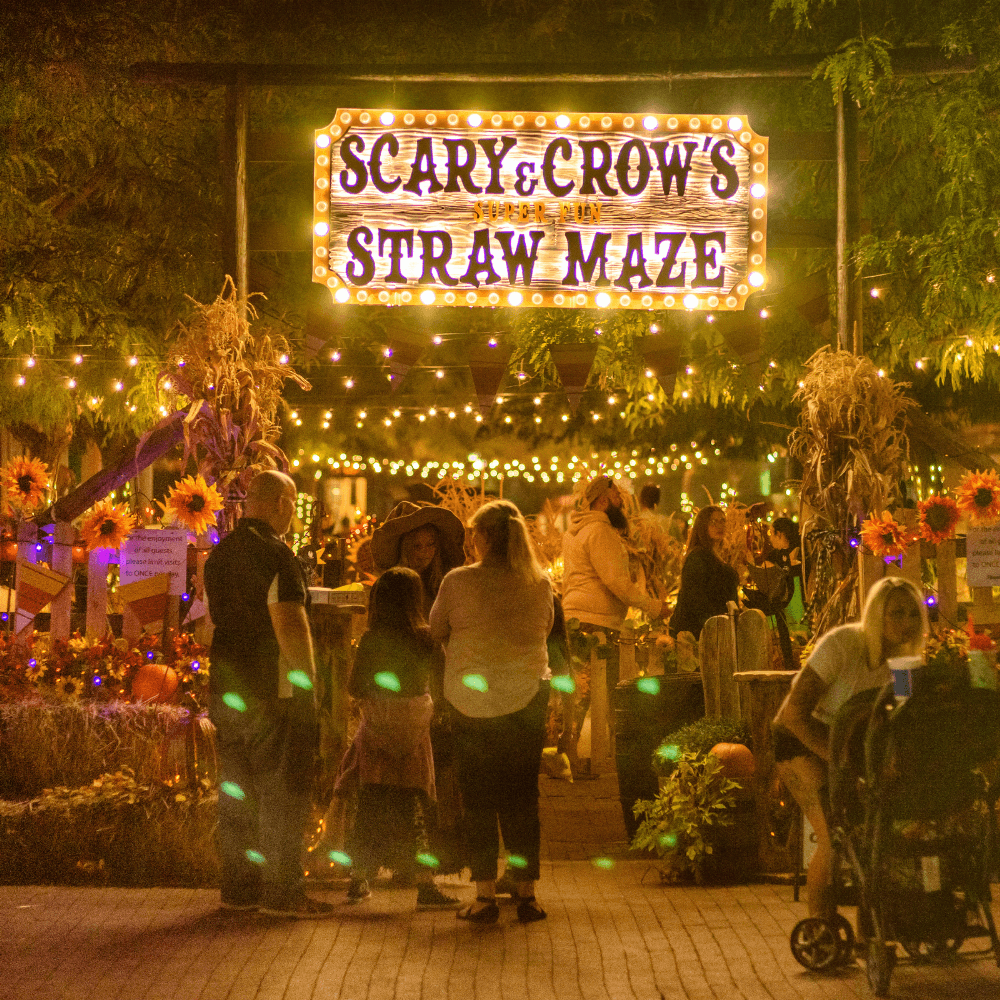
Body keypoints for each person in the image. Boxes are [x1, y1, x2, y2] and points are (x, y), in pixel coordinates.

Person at [204, 470, 334, 919]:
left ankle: (239, 889)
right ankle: (282, 890)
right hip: (271, 692)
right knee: (282, 793)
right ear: (280, 503)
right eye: (292, 505)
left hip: (227, 688)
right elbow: (289, 625)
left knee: (237, 792)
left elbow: (210, 625)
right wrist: (309, 690)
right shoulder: (278, 556)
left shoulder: (218, 556)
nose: (293, 515)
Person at [429, 500, 556, 924]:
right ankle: (526, 894)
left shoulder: (458, 582)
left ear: (483, 537)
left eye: (473, 534)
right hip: (525, 698)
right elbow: (547, 629)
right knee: (522, 797)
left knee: (479, 799)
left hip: (471, 701)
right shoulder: (539, 584)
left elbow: (436, 629)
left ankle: (484, 895)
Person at [772, 576, 927, 920]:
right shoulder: (844, 646)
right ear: (876, 616)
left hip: (852, 747)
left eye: (913, 614)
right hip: (799, 740)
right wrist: (841, 761)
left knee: (875, 830)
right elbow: (793, 716)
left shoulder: (903, 665)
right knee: (833, 833)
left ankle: (871, 928)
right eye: (896, 614)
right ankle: (821, 927)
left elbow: (900, 722)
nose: (906, 623)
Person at [339, 567, 460, 910]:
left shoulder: (372, 639)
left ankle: (359, 879)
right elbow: (443, 684)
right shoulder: (426, 640)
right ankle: (425, 884)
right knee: (417, 805)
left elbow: (355, 686)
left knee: (371, 803)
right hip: (416, 728)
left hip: (376, 727)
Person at [371, 501, 466, 616]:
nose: (424, 552)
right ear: (405, 548)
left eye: (430, 544)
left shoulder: (444, 582)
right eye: (417, 546)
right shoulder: (389, 585)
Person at [668, 505, 739, 642]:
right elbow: (695, 599)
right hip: (700, 632)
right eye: (713, 522)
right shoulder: (698, 557)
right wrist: (716, 626)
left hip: (716, 628)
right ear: (703, 525)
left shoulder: (716, 555)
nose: (719, 526)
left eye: (722, 521)